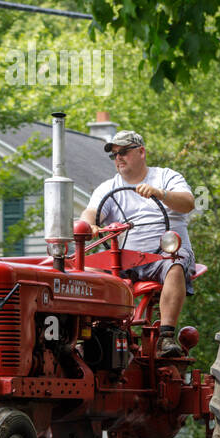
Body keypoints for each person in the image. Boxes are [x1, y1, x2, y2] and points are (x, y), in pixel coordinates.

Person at [82, 130, 197, 357]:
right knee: (83, 272)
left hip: (162, 256)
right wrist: (88, 225)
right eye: (114, 155)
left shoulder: (166, 177)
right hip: (125, 261)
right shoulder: (108, 188)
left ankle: (165, 337)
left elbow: (189, 203)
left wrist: (161, 193)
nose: (118, 159)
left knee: (174, 264)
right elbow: (91, 212)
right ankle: (88, 336)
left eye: (123, 152)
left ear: (141, 152)